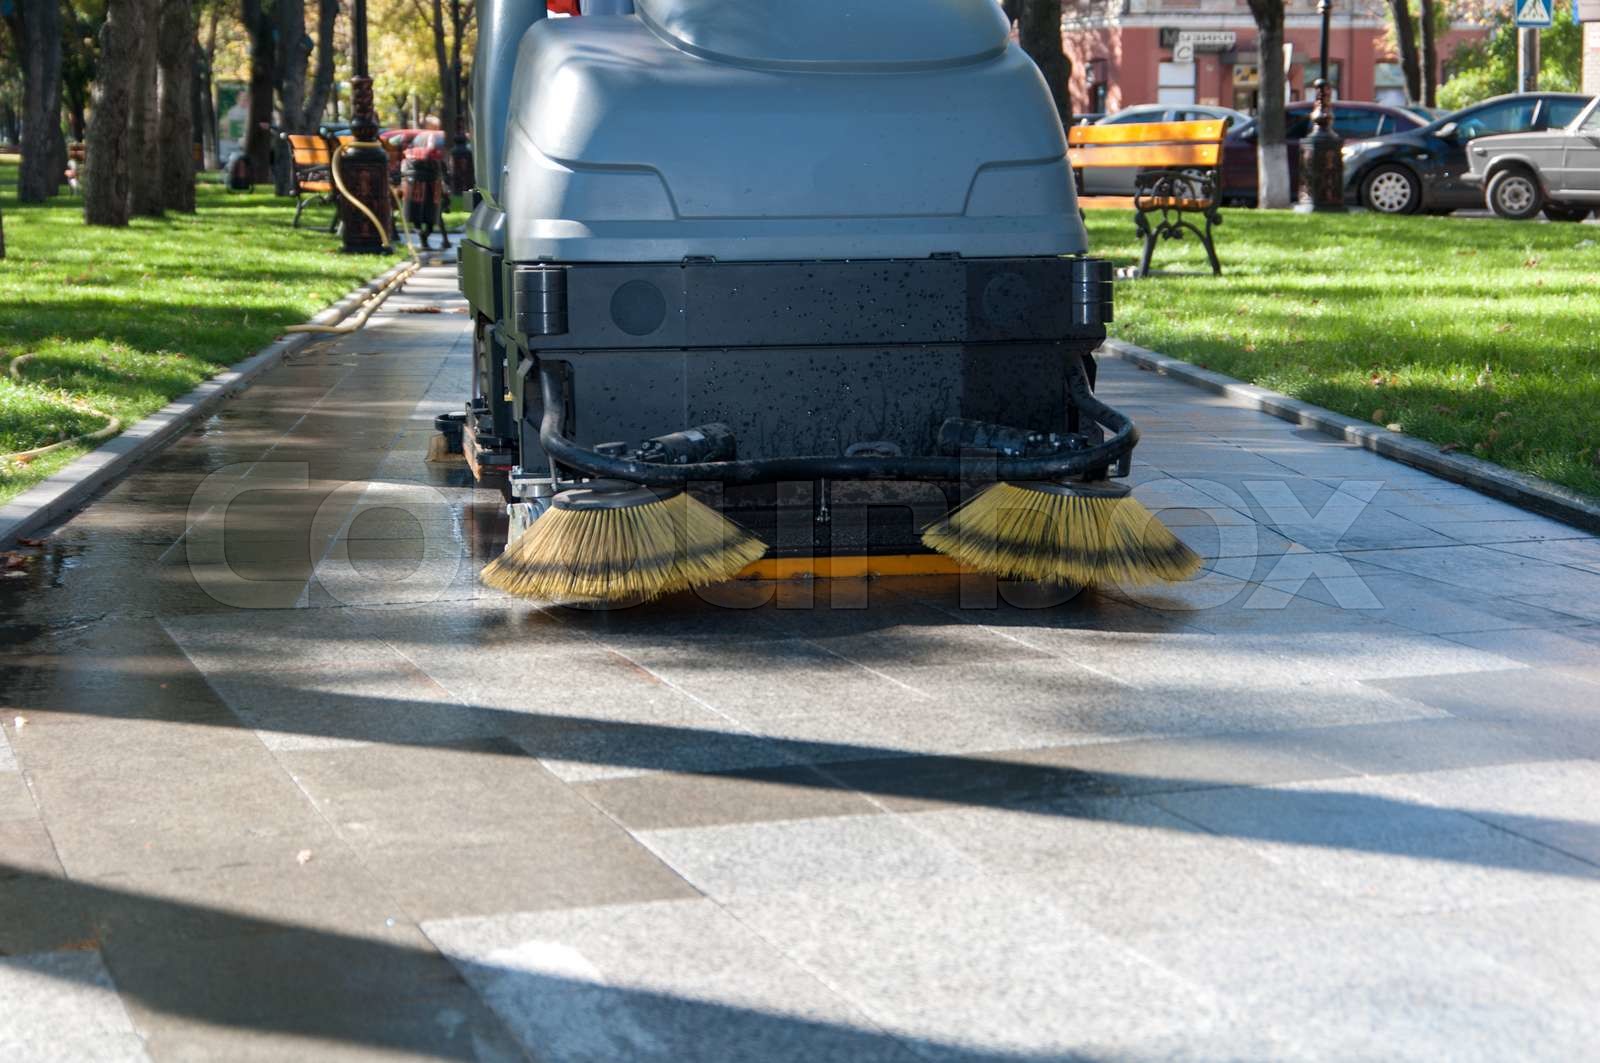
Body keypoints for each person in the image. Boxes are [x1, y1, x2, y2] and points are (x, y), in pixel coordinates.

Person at [400, 131, 449, 249]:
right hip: (432, 191)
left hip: (413, 189)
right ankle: (430, 239)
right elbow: (442, 173)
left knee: (416, 217)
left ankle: (424, 238)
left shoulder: (409, 156)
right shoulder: (434, 157)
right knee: (434, 216)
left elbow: (403, 172)